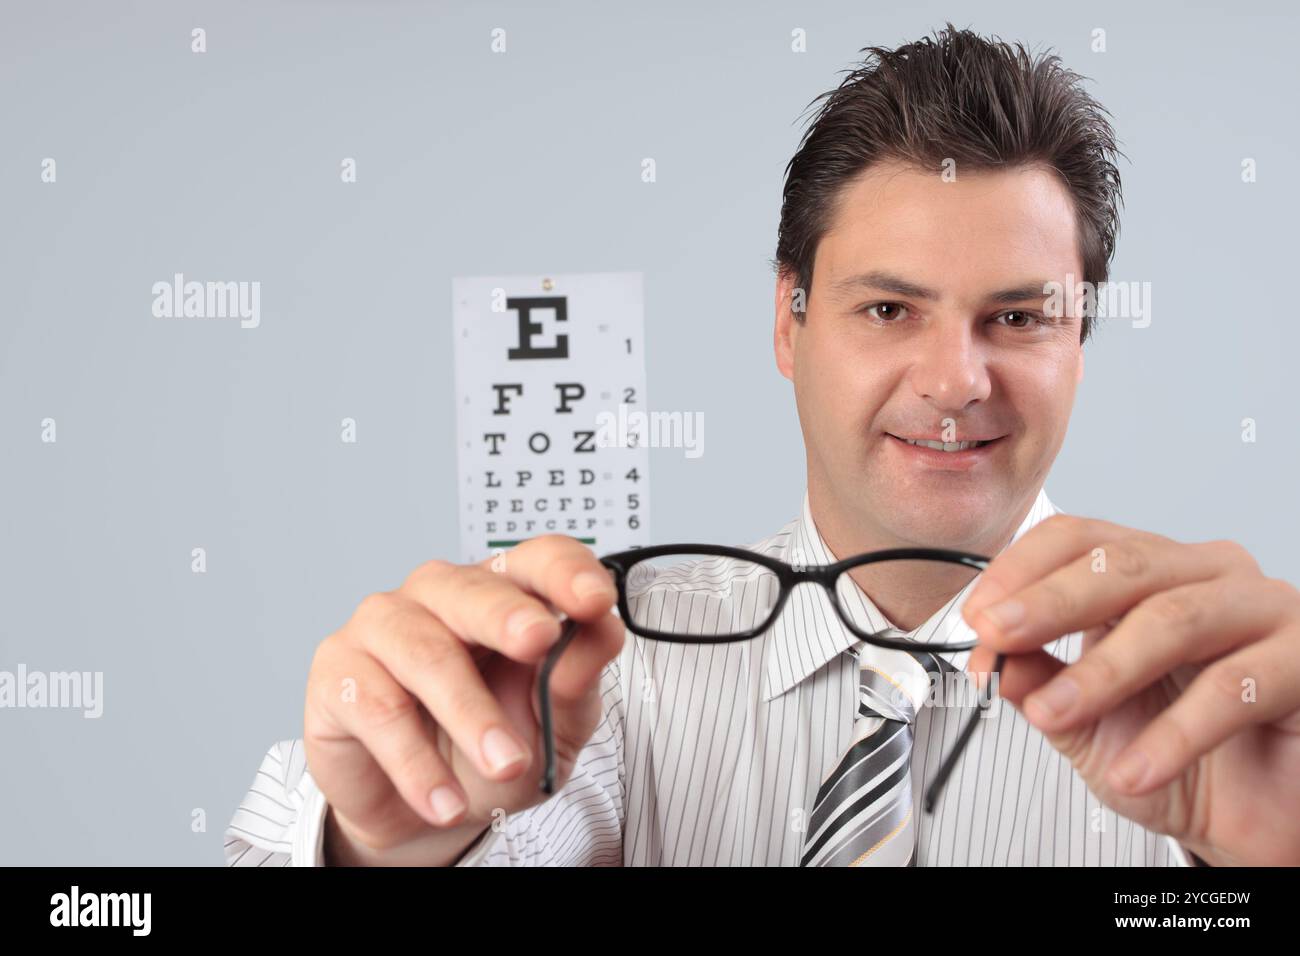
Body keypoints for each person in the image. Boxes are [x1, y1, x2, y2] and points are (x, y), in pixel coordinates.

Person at [225, 24, 1300, 867]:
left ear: (1080, 338)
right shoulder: (612, 669)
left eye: (1017, 317)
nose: (954, 381)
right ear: (787, 321)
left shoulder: (1218, 711)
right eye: (888, 310)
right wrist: (390, 840)